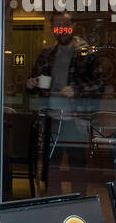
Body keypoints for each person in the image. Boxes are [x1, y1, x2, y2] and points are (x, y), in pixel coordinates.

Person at [26, 12, 104, 189]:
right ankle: (53, 206)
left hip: (76, 120)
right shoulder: (47, 54)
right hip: (51, 119)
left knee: (77, 169)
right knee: (51, 168)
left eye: (65, 25)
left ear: (73, 26)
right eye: (57, 25)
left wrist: (76, 90)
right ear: (52, 28)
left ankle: (77, 207)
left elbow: (100, 85)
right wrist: (31, 84)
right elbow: (36, 81)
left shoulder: (85, 53)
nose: (61, 29)